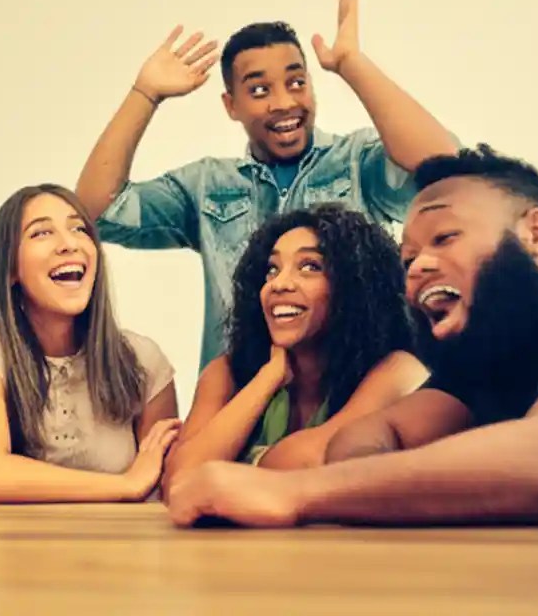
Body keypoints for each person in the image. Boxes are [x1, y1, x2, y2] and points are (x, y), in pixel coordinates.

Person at [167, 145, 538, 614]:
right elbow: (374, 440)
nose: (419, 264)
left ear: (536, 233)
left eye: (445, 237)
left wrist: (296, 495)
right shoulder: (496, 350)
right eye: (407, 259)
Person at [76, 0, 458, 369]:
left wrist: (352, 64)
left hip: (358, 388)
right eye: (259, 90)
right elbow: (97, 211)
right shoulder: (207, 184)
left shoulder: (357, 161)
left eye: (296, 83)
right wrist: (145, 94)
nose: (284, 102)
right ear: (231, 105)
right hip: (243, 403)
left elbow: (443, 169)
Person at [0, 184, 180, 503]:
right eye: (41, 233)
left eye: (79, 229)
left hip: (119, 547)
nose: (69, 244)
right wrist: (125, 485)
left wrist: (138, 486)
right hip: (9, 549)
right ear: (10, 268)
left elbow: (163, 489)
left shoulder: (142, 358)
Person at [163, 203, 425, 490]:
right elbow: (178, 479)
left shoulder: (398, 370)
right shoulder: (226, 373)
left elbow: (313, 459)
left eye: (310, 267)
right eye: (272, 269)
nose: (279, 284)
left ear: (355, 286)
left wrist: (225, 469)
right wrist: (267, 379)